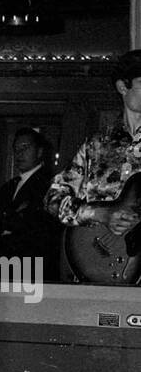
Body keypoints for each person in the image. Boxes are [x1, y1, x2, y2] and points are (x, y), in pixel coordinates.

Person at [46, 49, 141, 275]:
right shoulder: (96, 145)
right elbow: (53, 199)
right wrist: (100, 214)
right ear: (123, 87)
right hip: (94, 263)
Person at [0, 128, 58, 280]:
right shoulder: (9, 187)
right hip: (4, 268)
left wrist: (3, 219)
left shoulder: (49, 184)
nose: (19, 153)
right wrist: (9, 218)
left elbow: (32, 227)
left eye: (25, 148)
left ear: (39, 152)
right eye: (16, 149)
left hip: (32, 270)